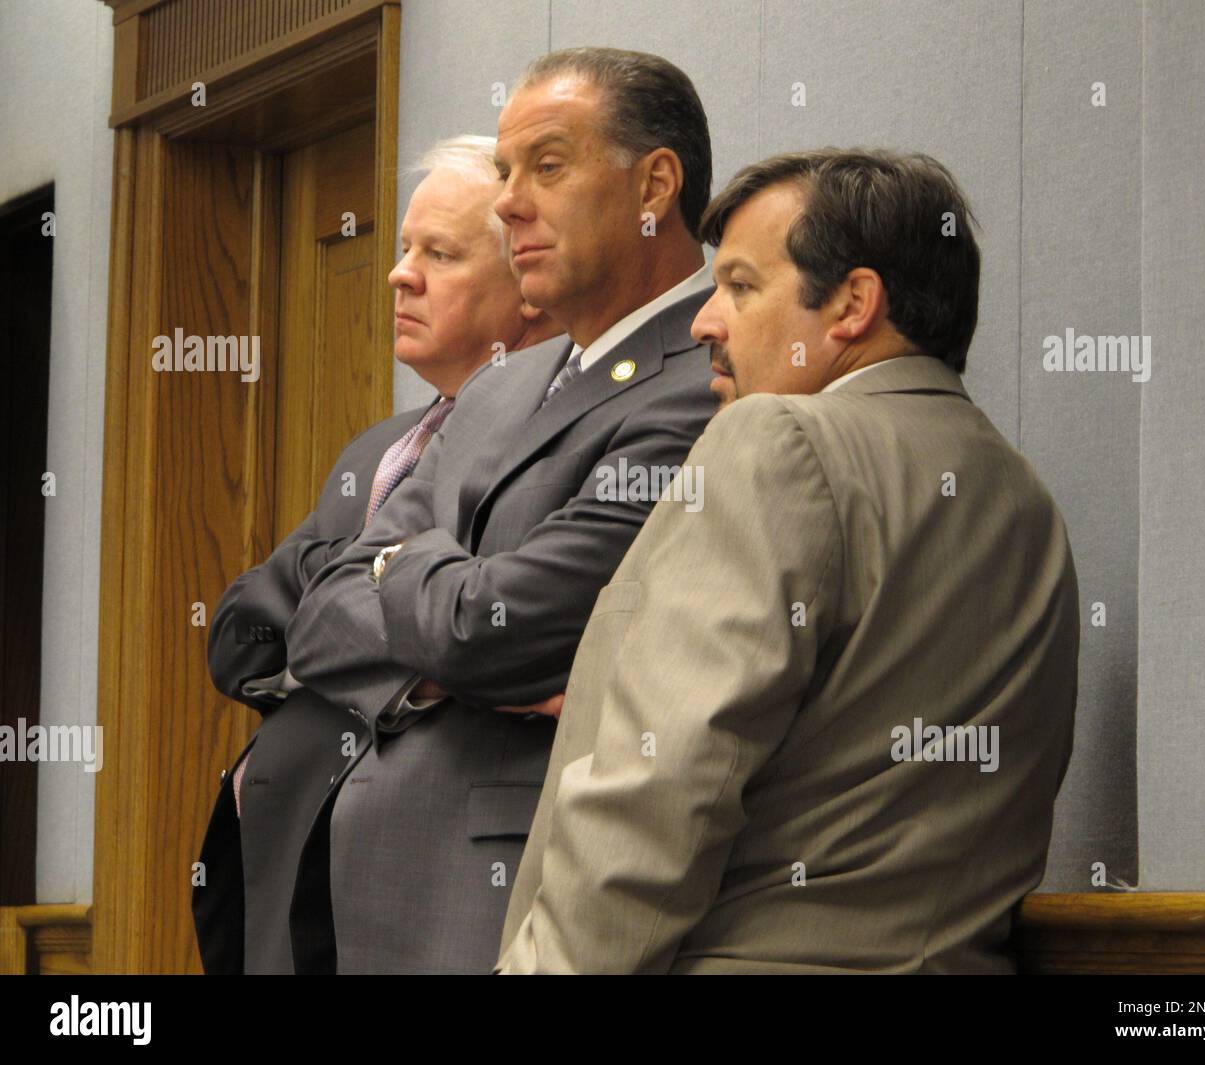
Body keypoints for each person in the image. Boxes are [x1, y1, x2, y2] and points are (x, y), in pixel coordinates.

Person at [498, 148, 1080, 974]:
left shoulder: (774, 440)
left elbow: (659, 793)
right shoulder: (1026, 503)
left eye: (738, 285)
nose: (704, 321)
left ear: (852, 305)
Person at [283, 47, 717, 974]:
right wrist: (436, 652)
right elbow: (318, 616)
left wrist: (403, 568)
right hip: (371, 890)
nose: (510, 201)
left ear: (656, 184)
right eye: (508, 172)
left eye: (547, 167)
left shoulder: (708, 381)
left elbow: (502, 628)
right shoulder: (499, 385)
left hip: (524, 904)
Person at [194, 135, 560, 974]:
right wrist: (383, 631)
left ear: (530, 292)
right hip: (280, 876)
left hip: (427, 892)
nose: (400, 274)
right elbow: (243, 627)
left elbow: (479, 629)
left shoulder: (550, 450)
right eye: (403, 249)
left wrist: (356, 616)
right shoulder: (377, 451)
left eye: (439, 253)